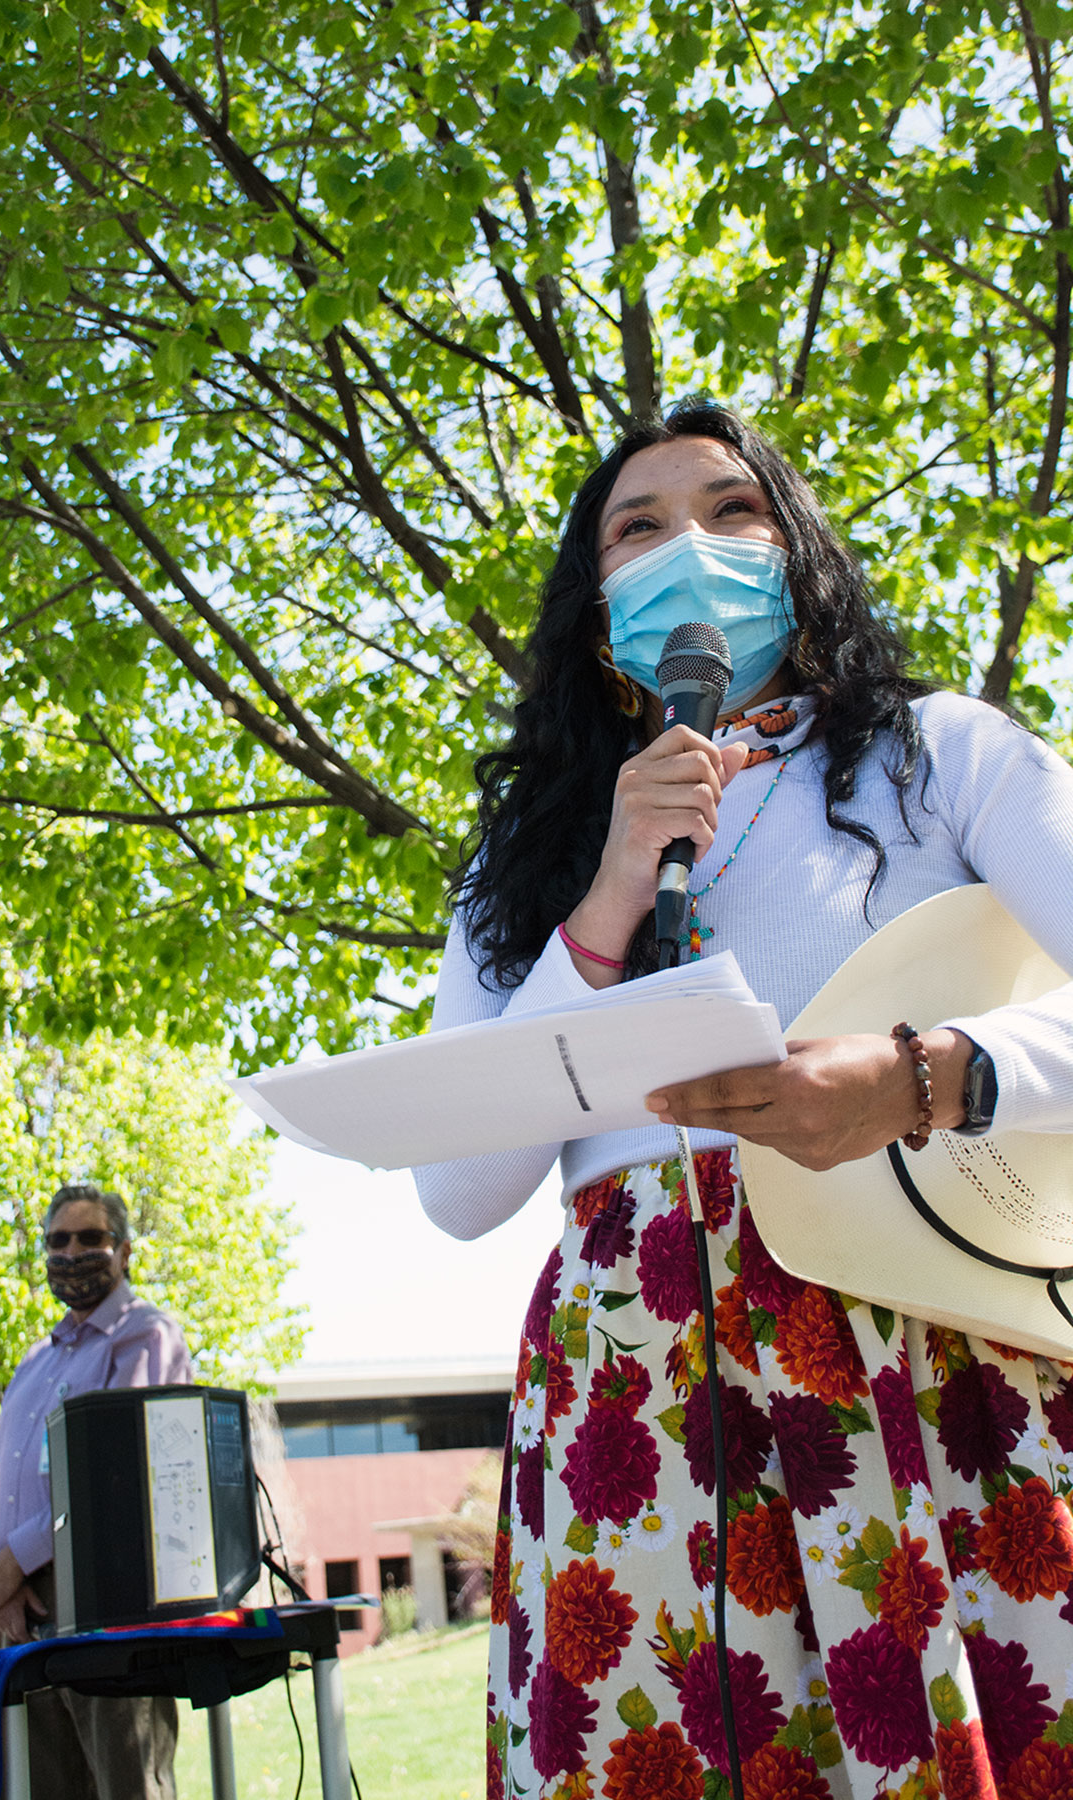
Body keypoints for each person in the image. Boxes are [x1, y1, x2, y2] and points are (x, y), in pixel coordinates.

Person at [413, 400, 1073, 1800]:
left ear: (799, 554)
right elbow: (458, 1190)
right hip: (633, 1387)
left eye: (732, 511)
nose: (689, 547)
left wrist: (922, 1078)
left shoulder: (942, 755)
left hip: (912, 1334)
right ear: (599, 612)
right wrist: (607, 890)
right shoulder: (525, 860)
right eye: (638, 530)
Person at [0, 1182, 192, 1800]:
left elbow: (117, 1473)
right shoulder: (33, 1362)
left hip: (103, 1598)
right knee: (38, 1787)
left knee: (126, 1786)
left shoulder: (146, 1337)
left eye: (91, 1238)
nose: (72, 1253)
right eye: (58, 1241)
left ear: (124, 1251)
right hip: (13, 1609)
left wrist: (15, 1560)